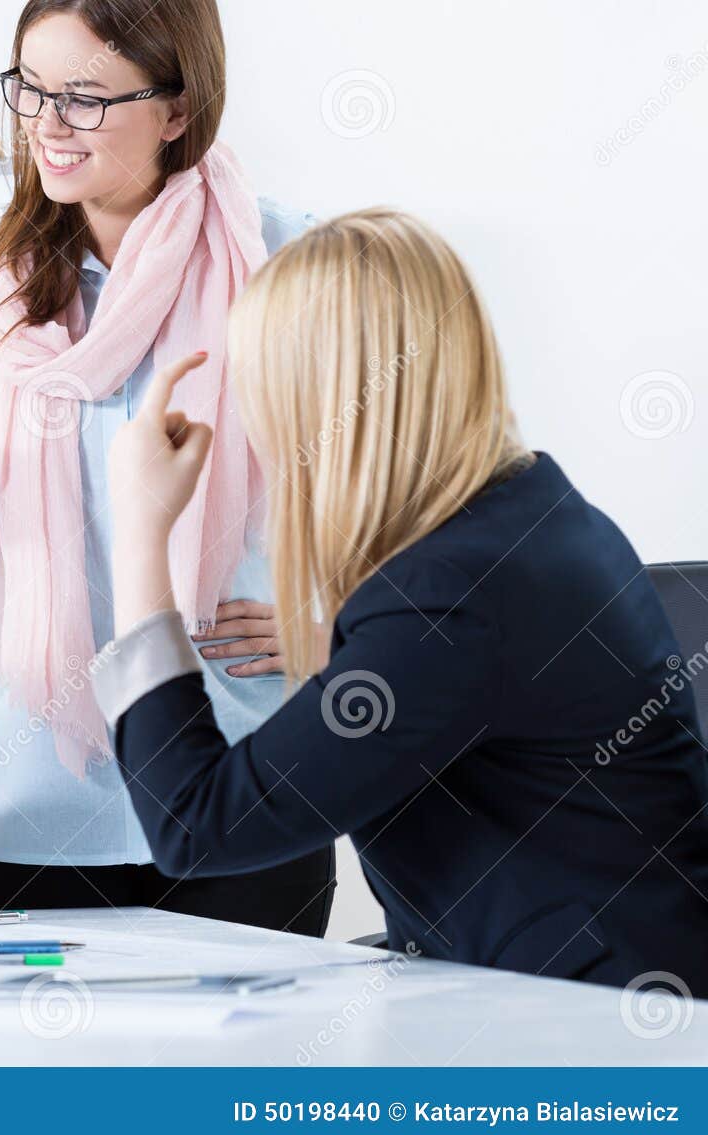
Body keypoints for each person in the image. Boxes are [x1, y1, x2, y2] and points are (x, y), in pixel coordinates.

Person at [95, 208, 708, 987]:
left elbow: (198, 822)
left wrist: (141, 533)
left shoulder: (449, 596)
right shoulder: (534, 514)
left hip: (593, 1035)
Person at [0, 0, 332, 931]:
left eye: (85, 98)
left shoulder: (285, 256)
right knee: (57, 1079)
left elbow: (408, 487)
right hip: (41, 786)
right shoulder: (10, 280)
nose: (46, 126)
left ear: (179, 109)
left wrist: (333, 623)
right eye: (30, 89)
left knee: (235, 1071)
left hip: (243, 760)